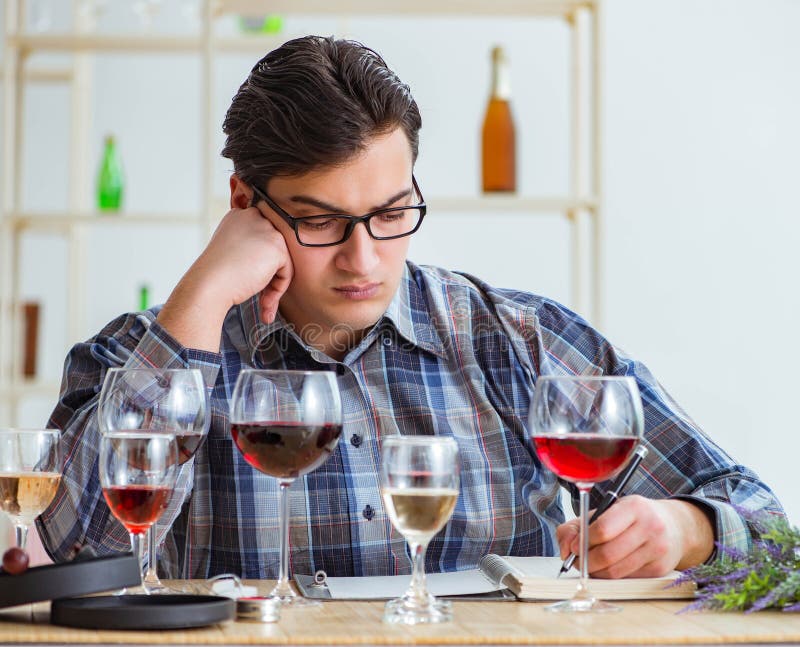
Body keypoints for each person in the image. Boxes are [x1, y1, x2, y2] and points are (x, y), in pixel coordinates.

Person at [38, 35, 783, 580]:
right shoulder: (137, 358)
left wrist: (689, 529)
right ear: (245, 205)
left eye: (392, 213)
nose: (364, 260)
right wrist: (198, 299)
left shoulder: (516, 341)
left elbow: (763, 516)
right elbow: (76, 556)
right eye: (320, 221)